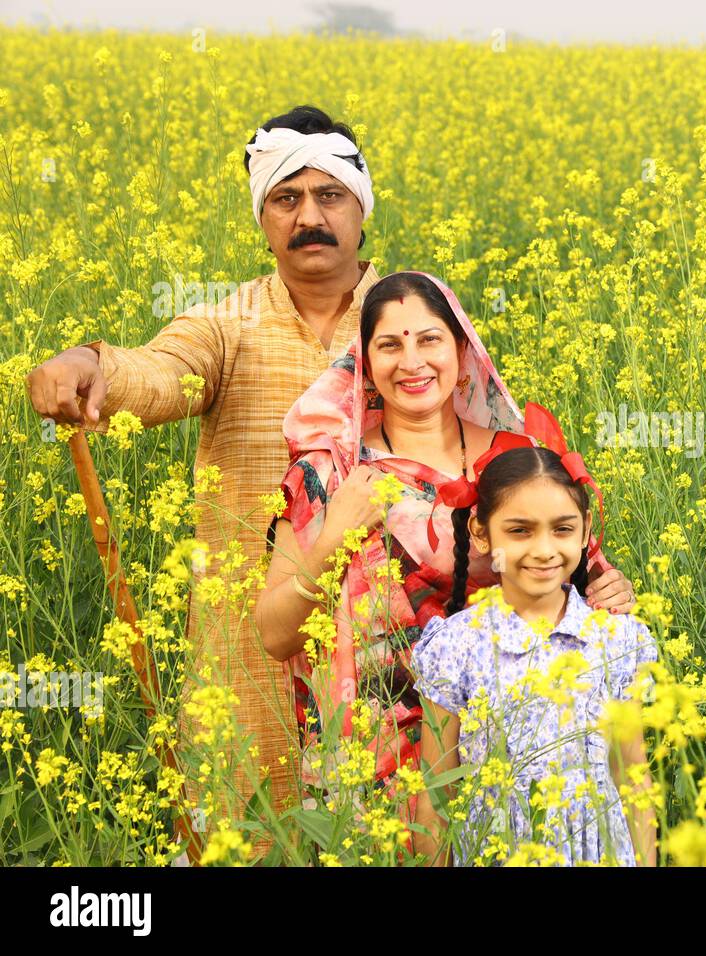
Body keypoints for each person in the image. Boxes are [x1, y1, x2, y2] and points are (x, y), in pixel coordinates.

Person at [24, 105, 637, 858]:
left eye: (329, 196)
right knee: (248, 835)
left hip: (440, 690)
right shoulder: (229, 324)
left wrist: (598, 590)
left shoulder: (409, 314)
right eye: (286, 198)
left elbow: (525, 508)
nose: (308, 216)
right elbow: (160, 372)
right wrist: (93, 366)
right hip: (254, 662)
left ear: (360, 206)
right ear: (262, 216)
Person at [256, 270, 635, 851]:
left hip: (516, 752)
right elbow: (275, 634)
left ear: (461, 353)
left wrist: (608, 593)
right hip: (376, 766)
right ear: (366, 366)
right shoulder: (330, 473)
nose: (412, 361)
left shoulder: (518, 458)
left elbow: (575, 576)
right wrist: (335, 534)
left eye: (429, 339)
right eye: (390, 344)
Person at [409, 407, 659, 866]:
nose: (544, 550)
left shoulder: (617, 640)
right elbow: (435, 797)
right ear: (481, 534)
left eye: (562, 529)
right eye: (520, 531)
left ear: (585, 531)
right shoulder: (454, 646)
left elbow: (633, 783)